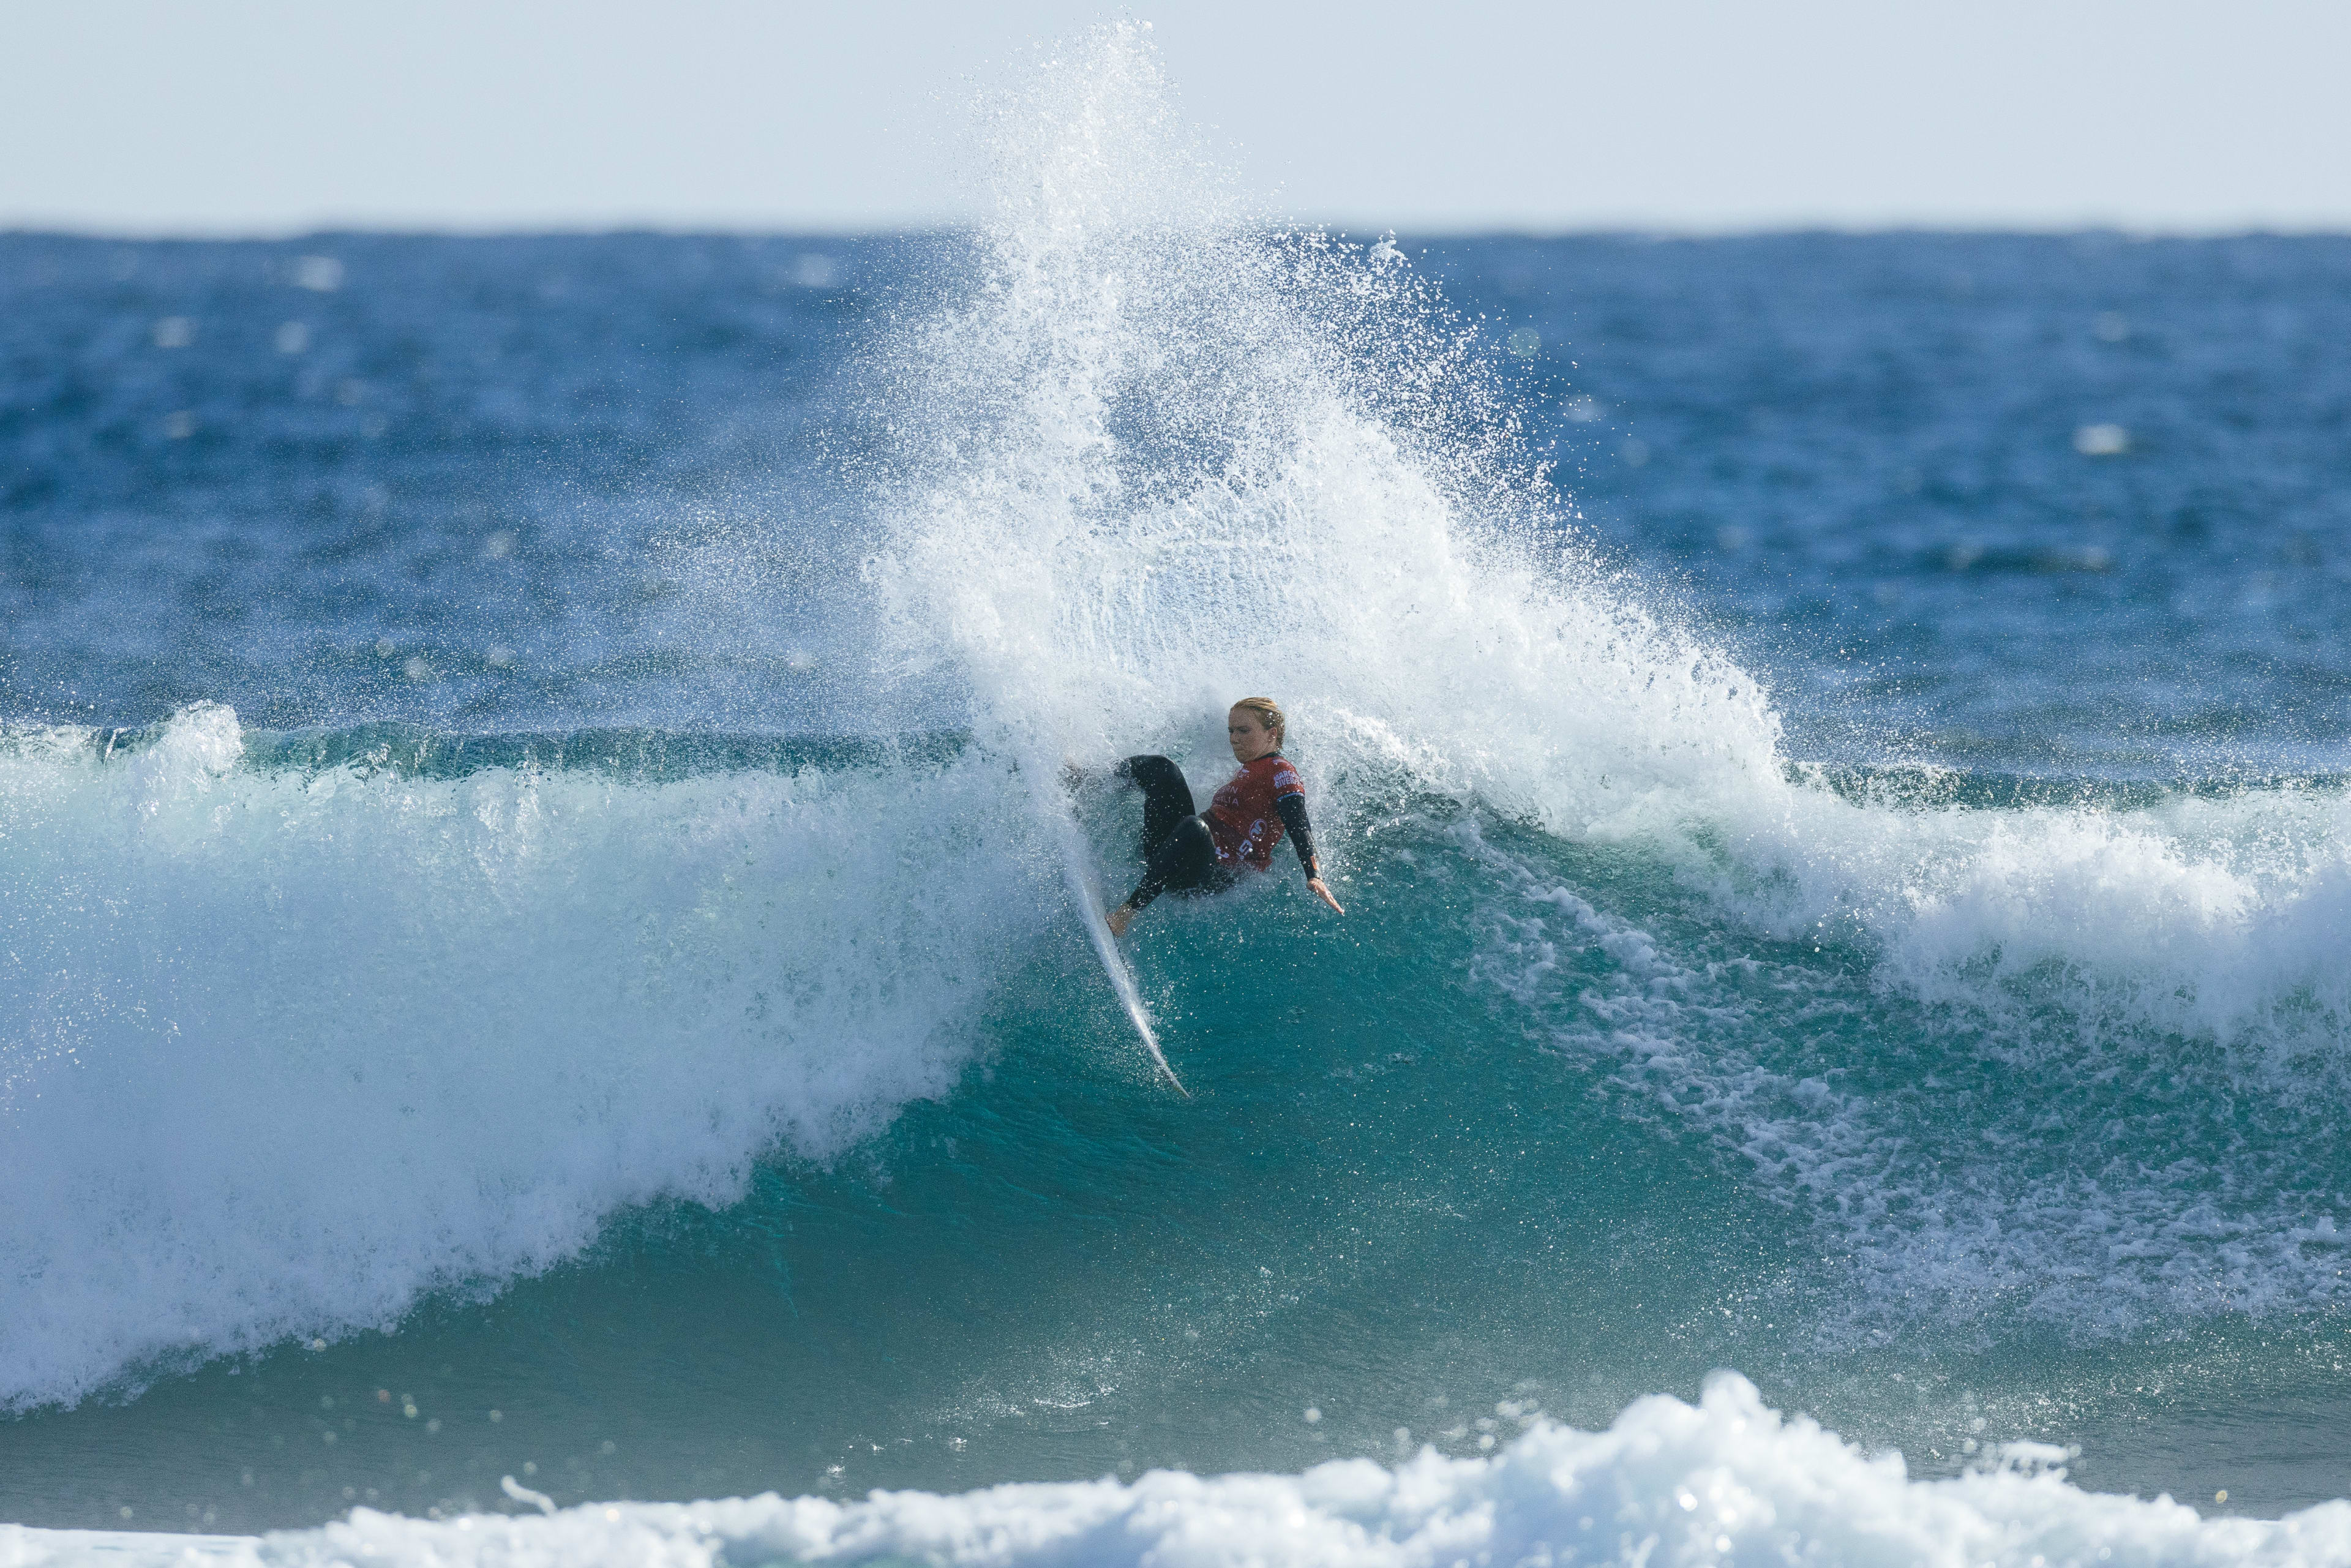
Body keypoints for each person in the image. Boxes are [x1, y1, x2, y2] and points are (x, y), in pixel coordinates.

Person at [1103, 697, 1345, 938]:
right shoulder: (1249, 769)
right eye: (1231, 730)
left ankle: (1126, 914)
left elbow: (1299, 823)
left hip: (1211, 875)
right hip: (1182, 854)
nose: (1234, 738)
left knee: (1195, 827)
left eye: (1243, 730)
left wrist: (1314, 876)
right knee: (1163, 768)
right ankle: (1090, 782)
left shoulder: (1282, 771)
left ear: (1271, 734)